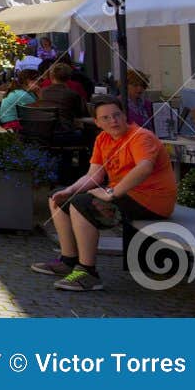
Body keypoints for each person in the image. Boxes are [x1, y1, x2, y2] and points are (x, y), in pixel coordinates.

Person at [32, 95, 177, 291]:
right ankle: (68, 261)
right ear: (98, 123)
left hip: (152, 201)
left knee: (82, 204)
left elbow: (144, 168)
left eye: (116, 115)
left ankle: (88, 273)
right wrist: (70, 190)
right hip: (125, 195)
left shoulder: (141, 136)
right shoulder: (103, 139)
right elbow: (94, 175)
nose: (113, 121)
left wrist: (113, 193)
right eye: (106, 118)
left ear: (125, 116)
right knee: (59, 198)